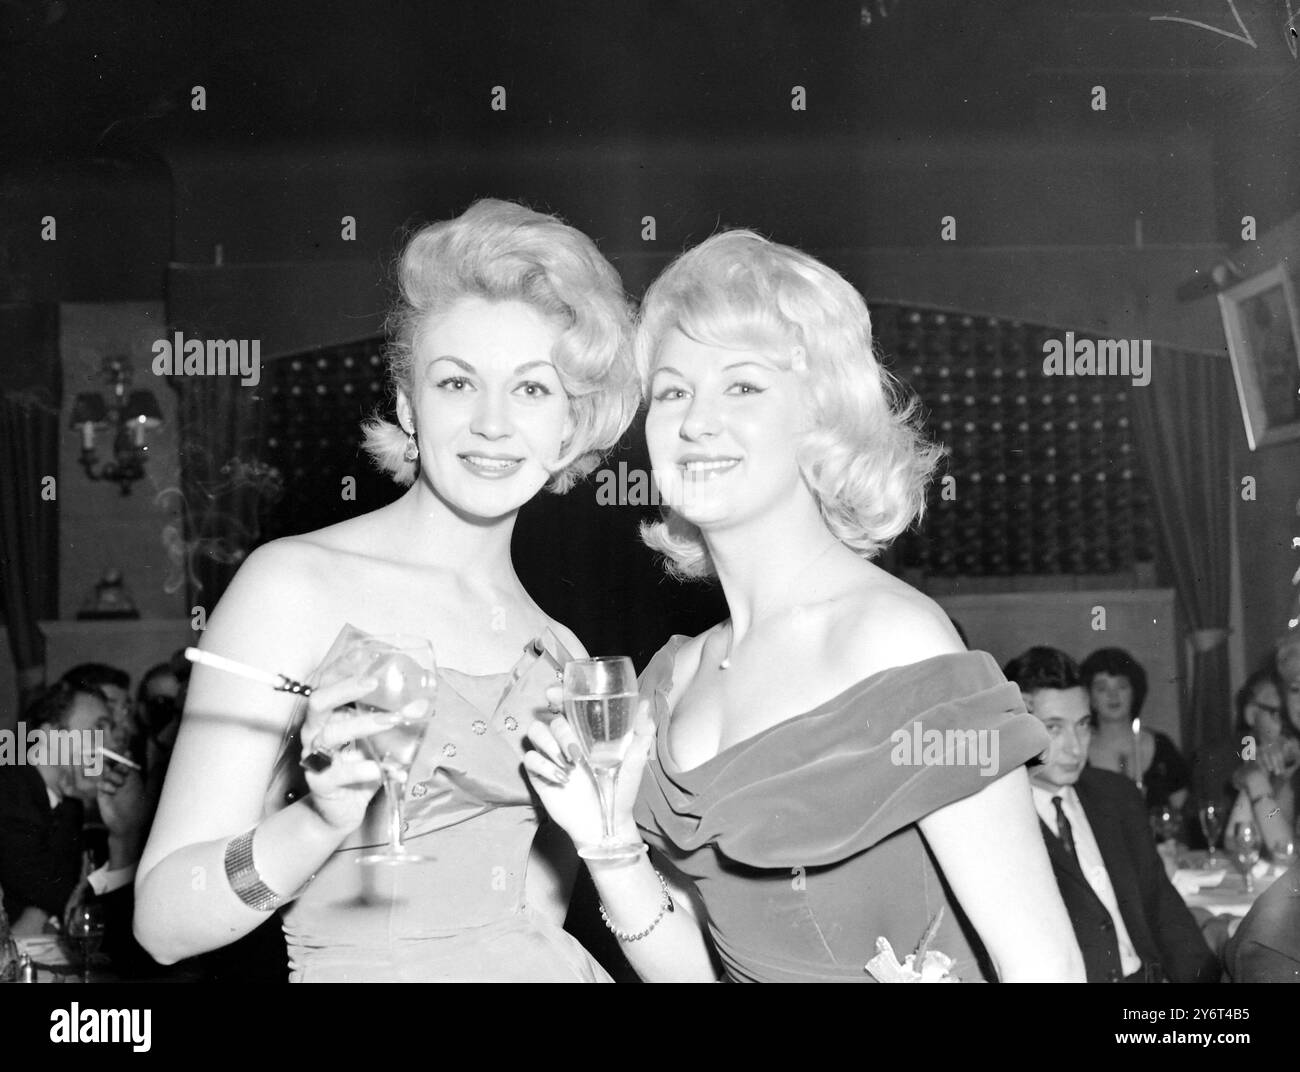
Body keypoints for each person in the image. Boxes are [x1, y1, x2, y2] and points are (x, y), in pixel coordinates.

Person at [525, 230, 1084, 982]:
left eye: (743, 386)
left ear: (821, 417)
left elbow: (1045, 969)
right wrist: (609, 844)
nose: (696, 421)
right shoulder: (672, 678)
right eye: (673, 391)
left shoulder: (897, 642)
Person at [134, 199, 639, 981]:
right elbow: (162, 921)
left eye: (533, 390)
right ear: (408, 404)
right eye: (457, 382)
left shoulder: (561, 654)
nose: (494, 424)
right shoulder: (293, 584)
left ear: (571, 427)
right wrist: (319, 818)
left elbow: (531, 924)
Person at [1003, 646, 1218, 982]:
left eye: (1083, 725)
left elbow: (1166, 913)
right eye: (1053, 728)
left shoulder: (1116, 796)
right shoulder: (999, 820)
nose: (1075, 748)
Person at [0, 681, 156, 975]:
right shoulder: (10, 793)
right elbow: (64, 900)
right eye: (99, 729)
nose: (112, 745)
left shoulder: (67, 805)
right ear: (50, 737)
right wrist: (124, 838)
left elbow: (69, 903)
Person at [1082, 647, 1190, 811]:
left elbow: (1181, 813)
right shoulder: (1078, 750)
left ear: (1134, 692)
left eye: (1122, 686)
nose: (1113, 695)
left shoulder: (1162, 747)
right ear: (1090, 698)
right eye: (1102, 688)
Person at [1226, 664, 1299, 859]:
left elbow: (1282, 850)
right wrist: (1256, 774)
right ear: (1250, 714)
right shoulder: (1227, 754)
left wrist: (1257, 779)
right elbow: (1236, 840)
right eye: (1279, 714)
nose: (1289, 723)